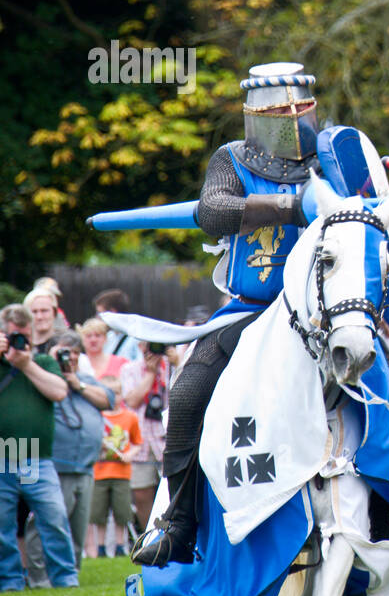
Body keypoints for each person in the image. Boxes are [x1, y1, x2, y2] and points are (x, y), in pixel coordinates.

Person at [132, 63, 322, 566]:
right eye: (277, 110)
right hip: (249, 312)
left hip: (317, 317)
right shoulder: (232, 160)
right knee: (188, 393)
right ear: (256, 115)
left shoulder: (333, 158)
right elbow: (212, 210)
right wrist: (291, 206)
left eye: (297, 107)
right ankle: (179, 523)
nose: (289, 117)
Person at [0, 304, 78, 590]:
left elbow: (59, 391)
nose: (18, 341)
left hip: (37, 457)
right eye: (13, 335)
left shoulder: (42, 362)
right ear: (2, 333)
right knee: (0, 527)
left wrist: (26, 363)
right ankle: (10, 582)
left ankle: (65, 579)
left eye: (23, 335)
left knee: (54, 519)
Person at [24, 333, 113, 579]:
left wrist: (77, 384)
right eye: (64, 351)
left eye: (75, 352)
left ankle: (69, 576)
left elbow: (108, 399)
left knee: (77, 528)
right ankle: (39, 577)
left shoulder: (85, 380)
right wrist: (51, 368)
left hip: (85, 467)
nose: (70, 357)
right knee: (46, 524)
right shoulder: (42, 380)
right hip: (53, 466)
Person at [120, 342, 173, 534]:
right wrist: (150, 374)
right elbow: (132, 400)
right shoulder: (130, 368)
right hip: (139, 438)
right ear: (140, 345)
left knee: (171, 491)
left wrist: (175, 362)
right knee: (142, 493)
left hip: (167, 437)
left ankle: (170, 535)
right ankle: (151, 536)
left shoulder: (171, 365)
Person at [90, 393, 143, 558]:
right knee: (99, 514)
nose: (114, 398)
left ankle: (121, 546)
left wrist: (130, 455)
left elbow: (137, 443)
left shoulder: (130, 417)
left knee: (122, 512)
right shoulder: (97, 418)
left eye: (117, 393)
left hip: (122, 474)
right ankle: (100, 547)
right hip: (99, 474)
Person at [76, 318, 126, 393]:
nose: (93, 340)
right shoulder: (76, 361)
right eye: (88, 336)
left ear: (105, 338)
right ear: (82, 339)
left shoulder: (121, 362)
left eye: (98, 335)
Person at [92, 290, 140, 362]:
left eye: (99, 313)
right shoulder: (108, 337)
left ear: (112, 312)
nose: (97, 317)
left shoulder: (136, 338)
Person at [24, 288, 64, 354]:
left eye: (44, 311)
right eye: (34, 312)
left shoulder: (64, 344)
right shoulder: (21, 345)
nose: (39, 317)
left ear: (54, 313)